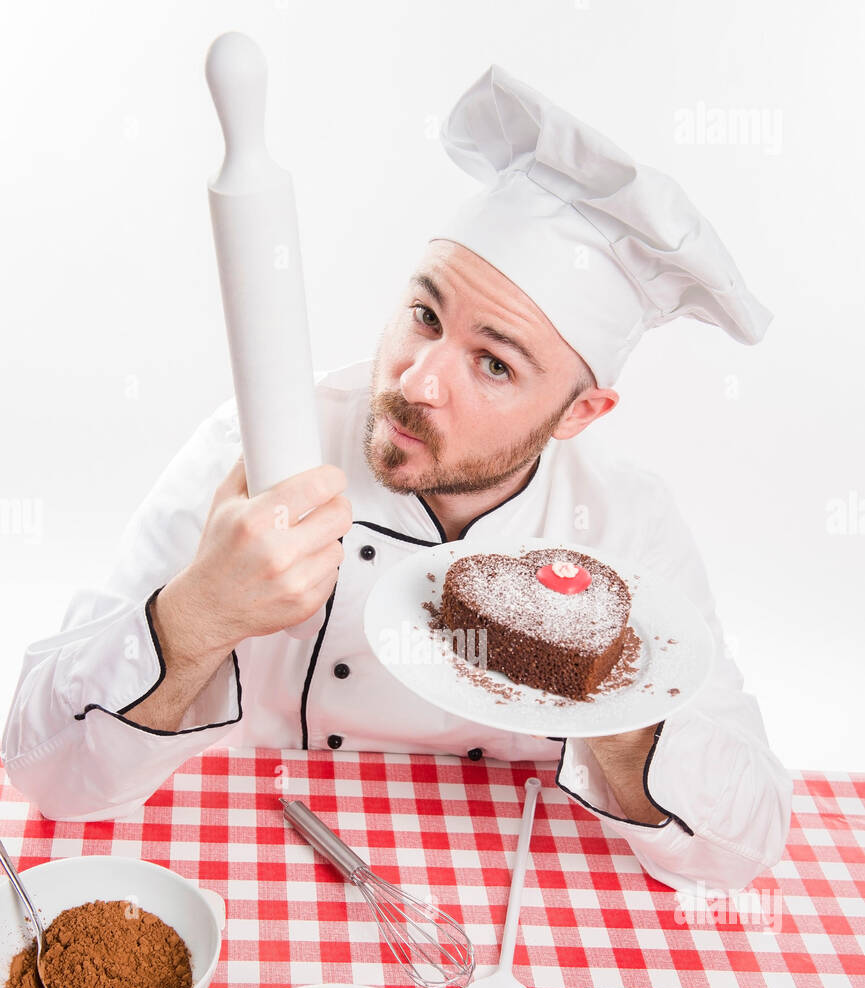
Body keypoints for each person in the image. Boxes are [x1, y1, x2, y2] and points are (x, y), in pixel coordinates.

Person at [1, 66, 792, 895]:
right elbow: (45, 775)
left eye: (491, 363)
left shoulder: (623, 525)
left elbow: (746, 846)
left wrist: (614, 707)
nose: (416, 381)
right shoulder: (261, 447)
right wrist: (197, 614)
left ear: (580, 410)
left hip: (501, 884)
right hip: (271, 859)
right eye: (424, 316)